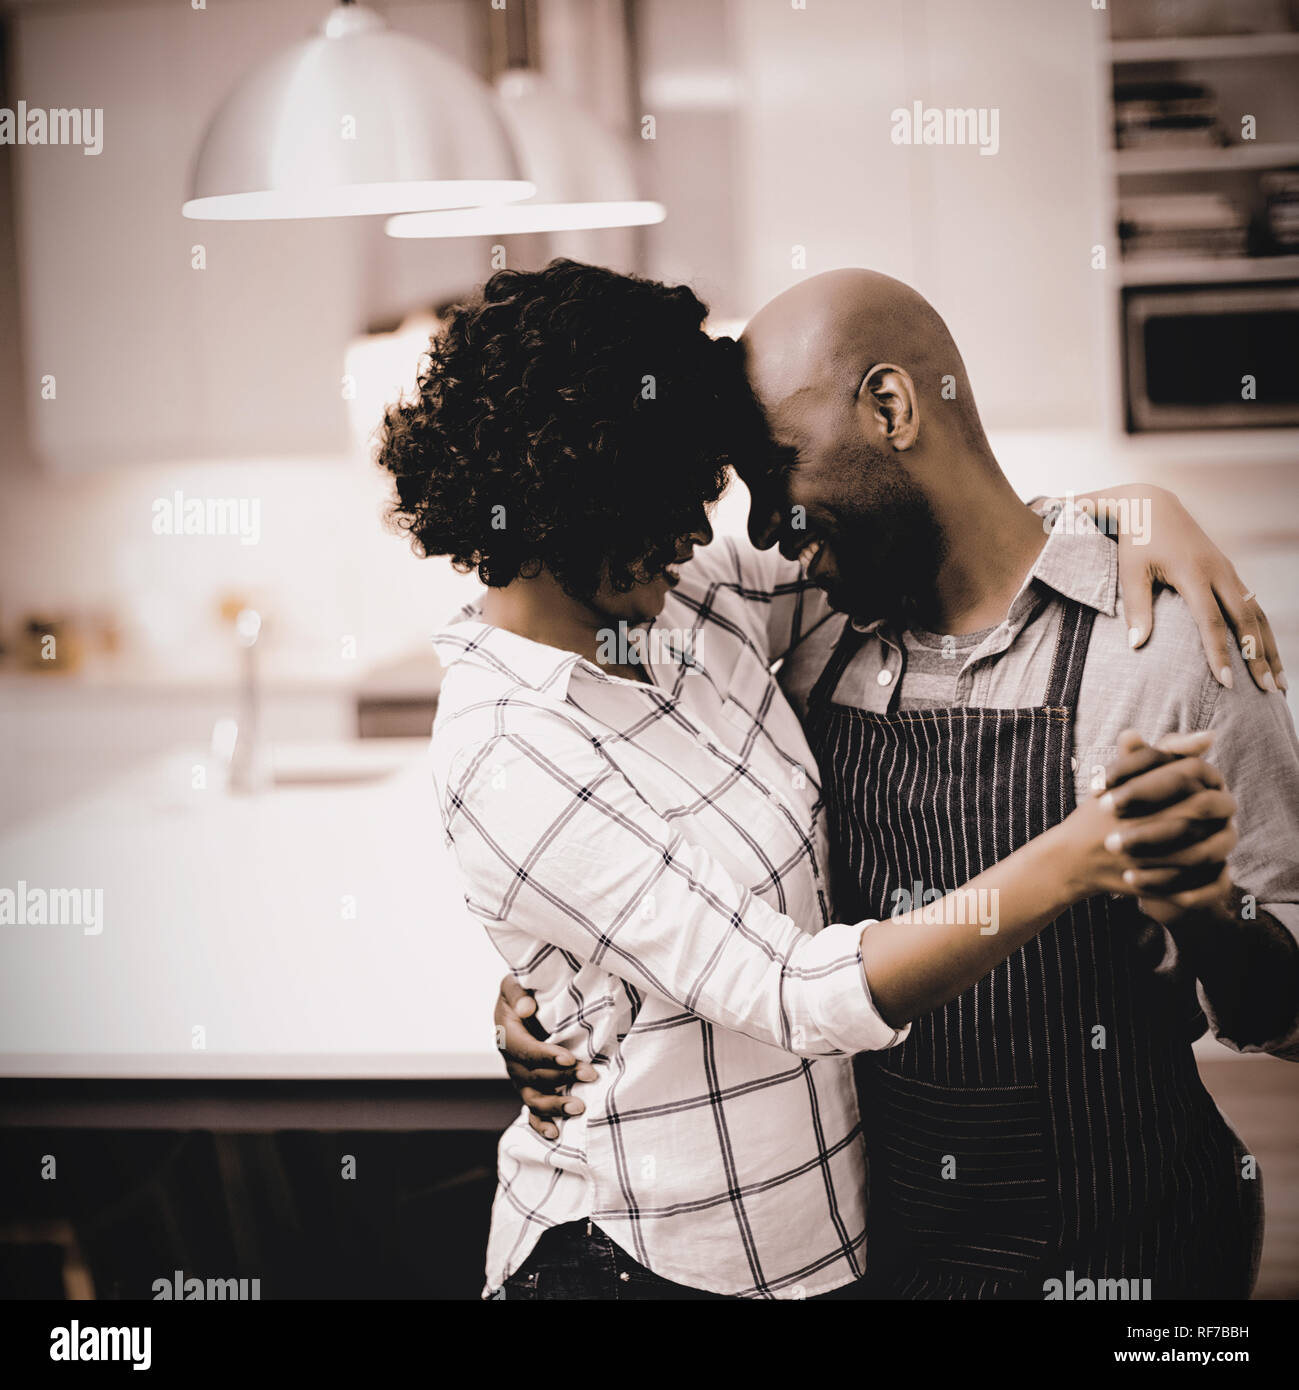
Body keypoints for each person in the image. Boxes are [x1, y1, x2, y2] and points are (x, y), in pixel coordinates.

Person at [386, 260, 1268, 1301]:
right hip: (669, 1263)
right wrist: (1084, 850)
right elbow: (782, 984)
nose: (709, 534)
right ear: (581, 510)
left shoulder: (698, 609)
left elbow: (935, 524)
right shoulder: (517, 742)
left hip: (973, 1243)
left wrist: (1129, 505)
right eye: (682, 502)